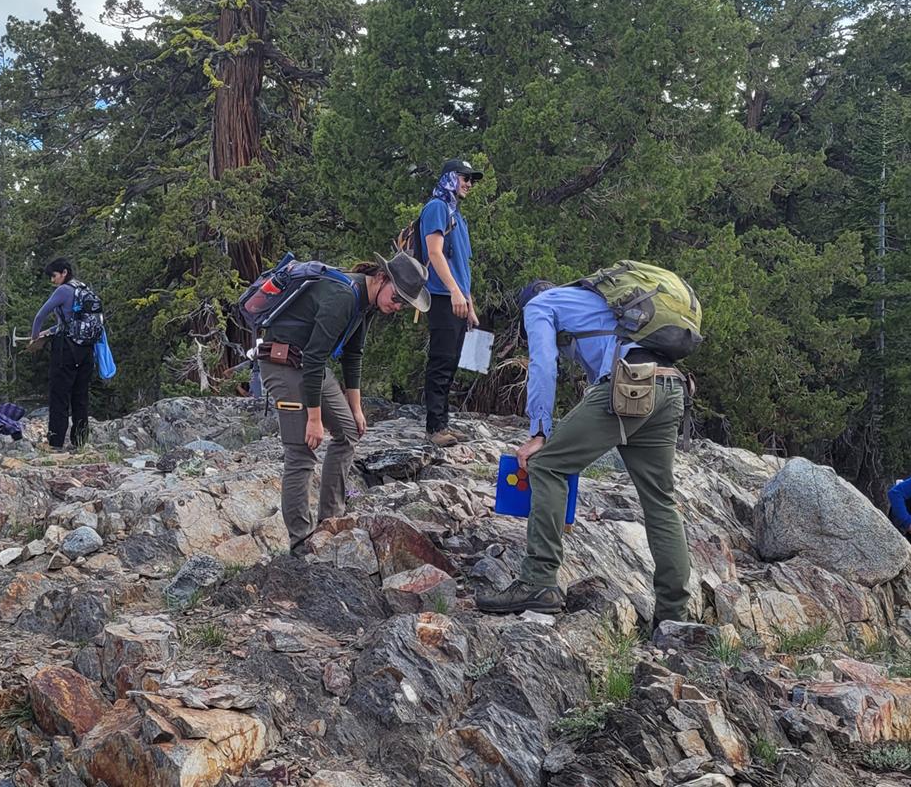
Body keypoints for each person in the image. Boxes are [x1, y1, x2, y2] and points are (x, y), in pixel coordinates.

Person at [475, 281, 695, 624]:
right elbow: (599, 376)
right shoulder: (597, 302)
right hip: (671, 386)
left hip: (631, 387)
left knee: (547, 466)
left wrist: (540, 431)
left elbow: (544, 364)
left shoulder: (540, 305)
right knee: (660, 500)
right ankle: (673, 617)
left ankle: (538, 582)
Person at [256, 255, 431, 554]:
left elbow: (353, 355)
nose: (398, 306)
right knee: (301, 451)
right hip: (282, 363)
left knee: (349, 432)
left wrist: (356, 408)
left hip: (308, 366)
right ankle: (301, 543)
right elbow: (313, 358)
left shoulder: (366, 301)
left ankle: (330, 519)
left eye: (404, 302)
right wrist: (314, 419)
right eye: (397, 297)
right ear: (381, 278)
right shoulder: (342, 297)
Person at [420, 159, 481, 445]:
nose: (469, 183)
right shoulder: (437, 208)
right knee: (441, 360)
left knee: (453, 360)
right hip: (442, 297)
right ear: (449, 177)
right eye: (464, 177)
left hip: (456, 297)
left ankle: (443, 422)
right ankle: (434, 427)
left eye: (472, 179)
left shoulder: (458, 216)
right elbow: (435, 253)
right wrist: (455, 292)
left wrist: (469, 302)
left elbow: (462, 265)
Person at [30, 259, 94, 449]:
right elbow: (68, 323)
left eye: (54, 275)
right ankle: (80, 440)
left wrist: (35, 336)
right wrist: (49, 331)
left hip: (65, 350)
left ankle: (56, 442)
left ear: (64, 272)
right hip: (85, 349)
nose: (52, 280)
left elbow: (40, 315)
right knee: (80, 397)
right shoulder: (84, 289)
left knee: (59, 395)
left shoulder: (63, 290)